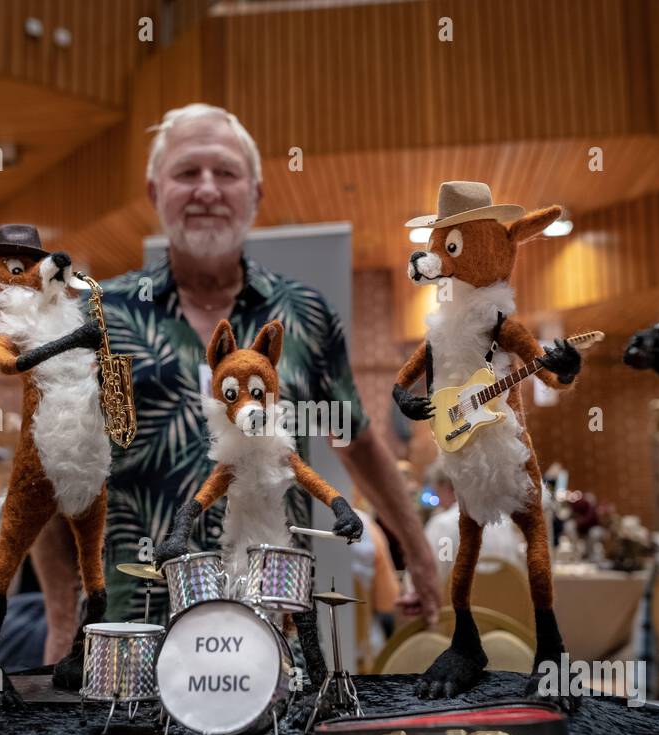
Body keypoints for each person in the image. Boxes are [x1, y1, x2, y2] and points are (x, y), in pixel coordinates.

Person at [88, 103, 439, 632]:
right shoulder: (102, 317)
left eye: (226, 173)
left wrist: (418, 553)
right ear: (156, 192)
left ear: (254, 194)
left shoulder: (307, 313)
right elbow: (62, 472)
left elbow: (357, 440)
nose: (207, 189)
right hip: (138, 633)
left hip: (277, 633)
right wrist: (60, 611)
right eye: (187, 172)